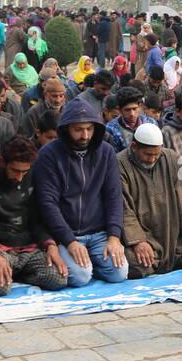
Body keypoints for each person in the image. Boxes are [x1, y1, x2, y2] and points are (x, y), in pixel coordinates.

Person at [32, 97, 129, 286]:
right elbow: (47, 203)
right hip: (66, 234)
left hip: (98, 232)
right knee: (79, 277)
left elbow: (114, 196)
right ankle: (84, 263)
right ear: (67, 129)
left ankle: (92, 262)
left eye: (89, 129)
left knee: (119, 273)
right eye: (78, 129)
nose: (85, 135)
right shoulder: (49, 155)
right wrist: (69, 241)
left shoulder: (106, 152)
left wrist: (114, 237)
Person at [0, 136, 69, 295]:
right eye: (15, 171)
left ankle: (17, 273)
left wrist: (50, 245)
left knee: (58, 279)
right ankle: (7, 272)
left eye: (24, 172)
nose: (20, 177)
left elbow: (37, 219)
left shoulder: (33, 174)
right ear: (2, 162)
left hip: (26, 246)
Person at [117, 123, 182, 278]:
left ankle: (171, 260)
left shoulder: (173, 158)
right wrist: (138, 241)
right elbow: (123, 208)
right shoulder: (119, 164)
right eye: (148, 154)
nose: (152, 159)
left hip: (172, 235)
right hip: (145, 237)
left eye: (156, 154)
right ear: (134, 146)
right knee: (131, 263)